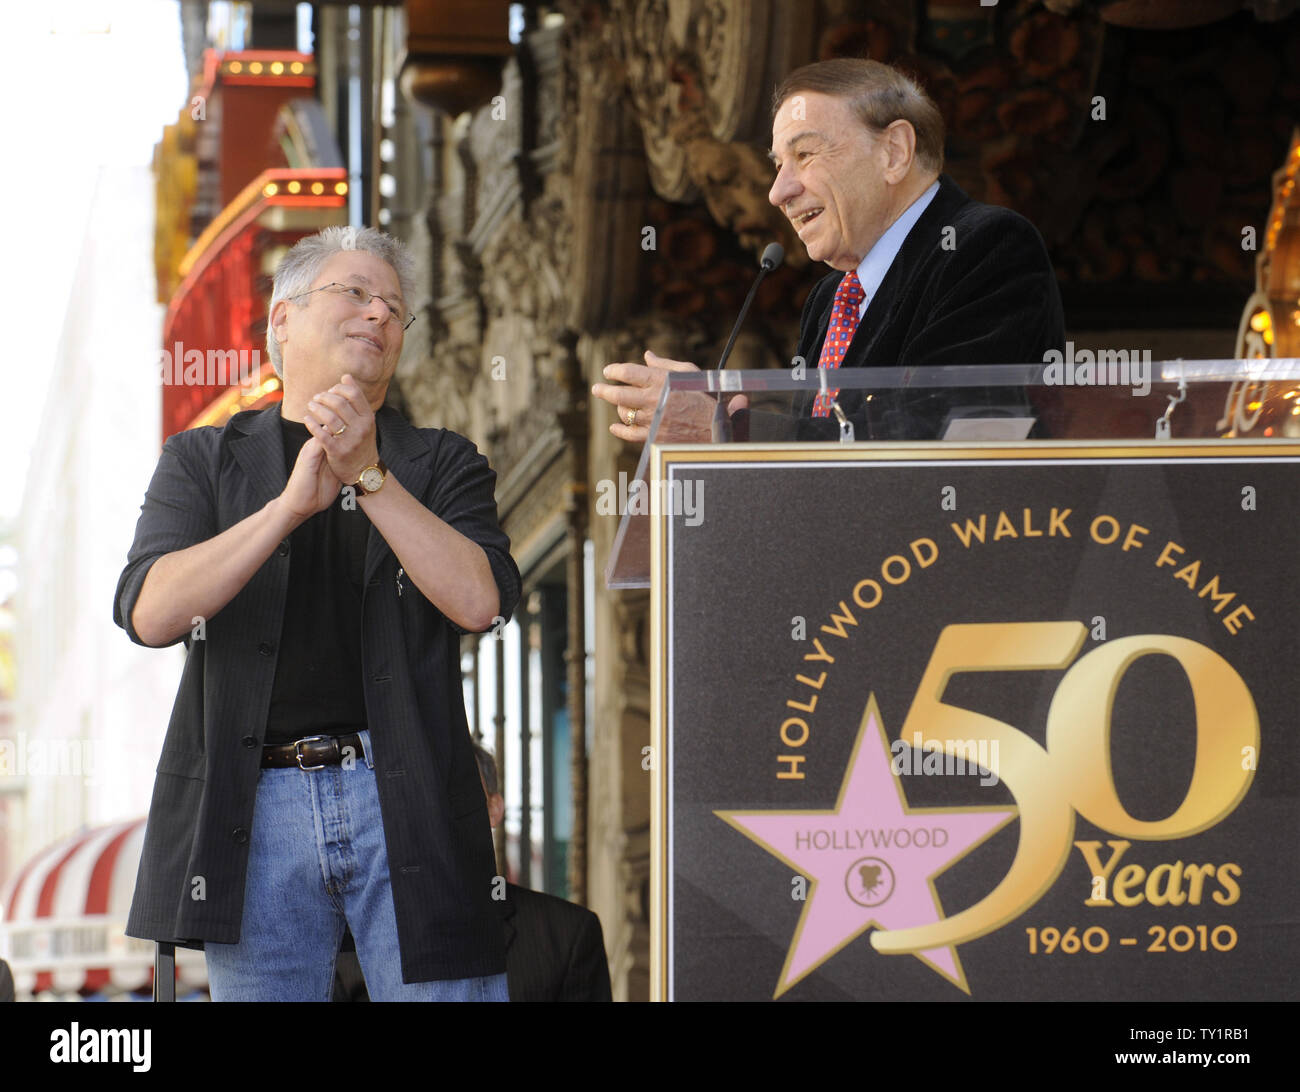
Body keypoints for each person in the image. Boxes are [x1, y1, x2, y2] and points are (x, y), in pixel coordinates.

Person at [114, 226, 520, 1001]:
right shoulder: (203, 460)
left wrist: (370, 475)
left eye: (396, 309)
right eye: (356, 294)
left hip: (409, 796)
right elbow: (150, 611)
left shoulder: (440, 461)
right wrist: (285, 511)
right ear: (282, 321)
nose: (379, 315)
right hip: (251, 805)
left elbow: (479, 600)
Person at [591, 58, 1065, 441]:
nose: (778, 192)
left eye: (805, 154)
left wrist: (728, 431)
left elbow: (939, 433)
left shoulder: (985, 246)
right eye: (778, 164)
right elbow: (825, 456)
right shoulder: (828, 302)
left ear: (894, 152)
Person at [333, 742, 614, 1002]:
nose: (438, 812)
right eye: (421, 796)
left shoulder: (566, 936)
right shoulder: (347, 949)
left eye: (457, 793)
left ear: (494, 809)